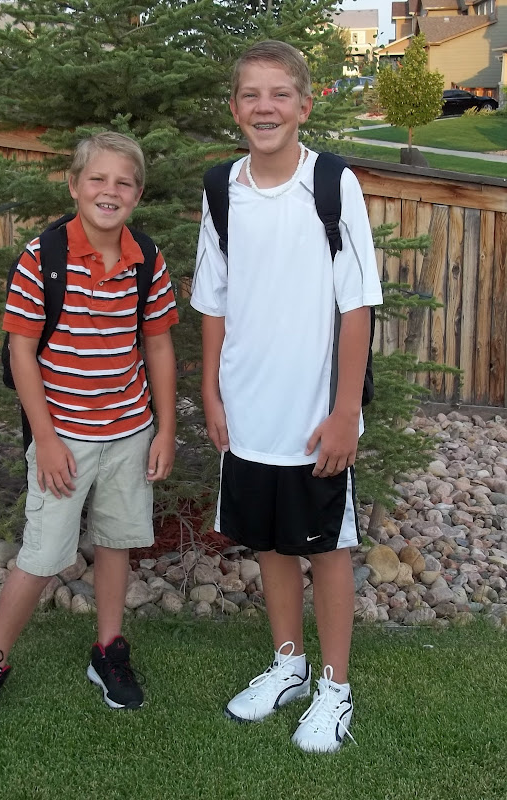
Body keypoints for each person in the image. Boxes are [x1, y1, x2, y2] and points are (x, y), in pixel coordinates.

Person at [0, 132, 179, 725]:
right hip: (64, 438)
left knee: (117, 541)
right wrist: (46, 440)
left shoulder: (147, 260)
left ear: (137, 194)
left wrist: (165, 429)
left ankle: (108, 651)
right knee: (42, 554)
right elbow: (21, 353)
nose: (109, 191)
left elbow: (158, 345)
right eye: (97, 179)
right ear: (74, 185)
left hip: (130, 431)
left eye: (123, 182)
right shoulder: (41, 258)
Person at [190, 41, 382, 753]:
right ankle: (289, 666)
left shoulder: (331, 184)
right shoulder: (221, 189)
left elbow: (356, 305)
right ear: (234, 107)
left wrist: (344, 412)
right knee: (270, 542)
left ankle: (335, 686)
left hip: (312, 414)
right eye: (251, 94)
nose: (264, 107)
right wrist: (211, 393)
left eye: (279, 94)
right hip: (247, 410)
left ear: (303, 106)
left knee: (324, 547)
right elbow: (213, 302)